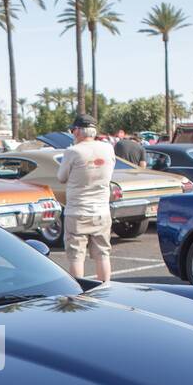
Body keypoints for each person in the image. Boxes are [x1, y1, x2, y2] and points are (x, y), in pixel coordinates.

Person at [56, 113, 115, 282]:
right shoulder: (108, 149)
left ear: (77, 132)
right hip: (102, 211)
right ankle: (106, 288)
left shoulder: (73, 152)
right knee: (103, 254)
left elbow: (61, 177)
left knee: (76, 255)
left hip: (78, 211)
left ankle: (79, 295)